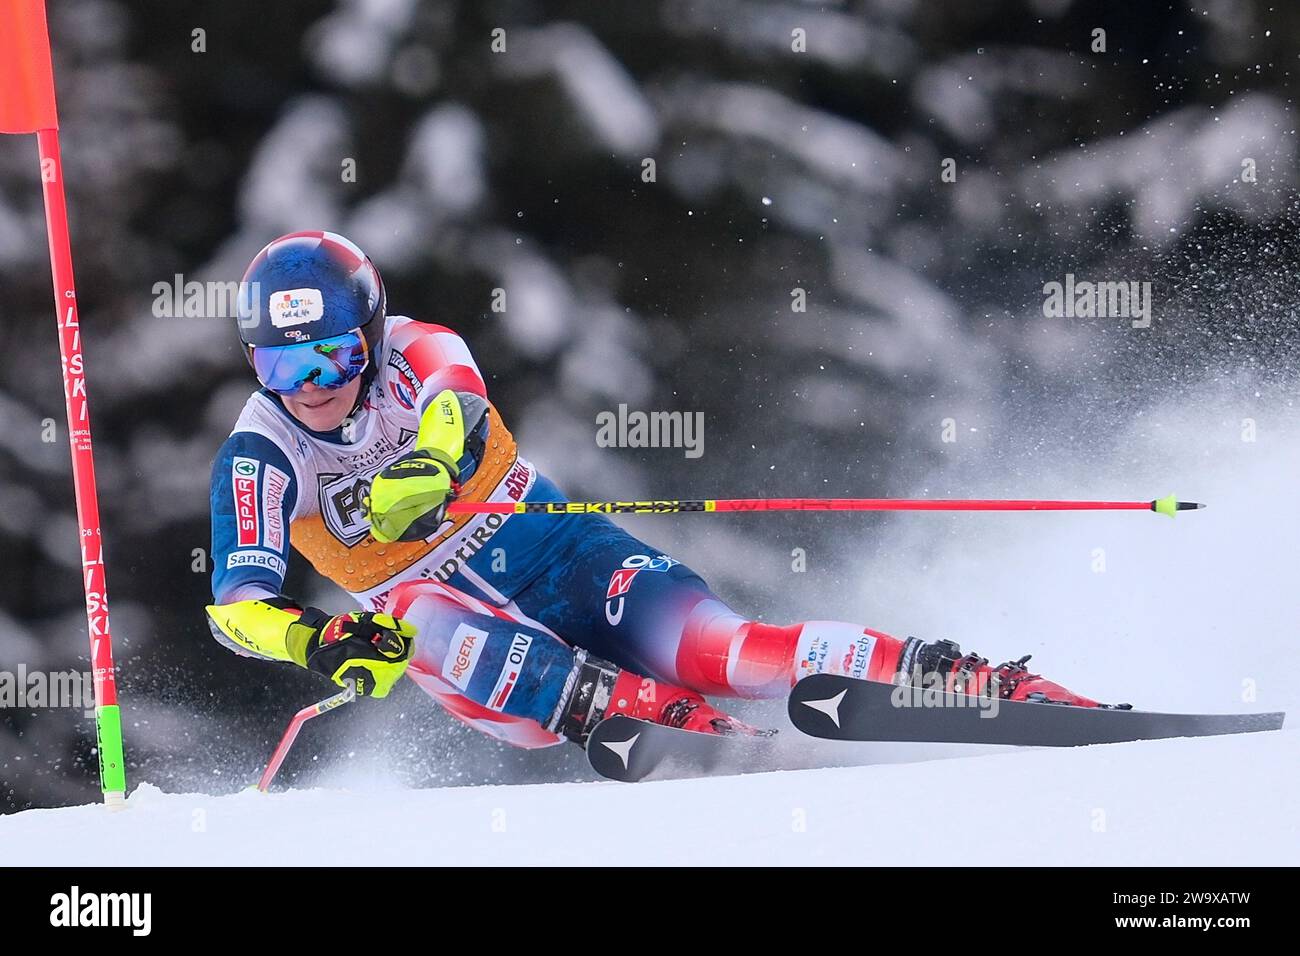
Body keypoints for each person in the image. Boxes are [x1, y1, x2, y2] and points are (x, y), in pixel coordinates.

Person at [206, 231, 1103, 752]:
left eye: (337, 351)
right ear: (255, 362)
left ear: (370, 334)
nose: (313, 381)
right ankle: (661, 728)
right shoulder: (262, 453)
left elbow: (458, 403)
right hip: (473, 653)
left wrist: (432, 470)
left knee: (725, 647)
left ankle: (947, 678)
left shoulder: (418, 346)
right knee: (425, 622)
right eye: (283, 360)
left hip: (559, 550)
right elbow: (235, 606)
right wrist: (317, 639)